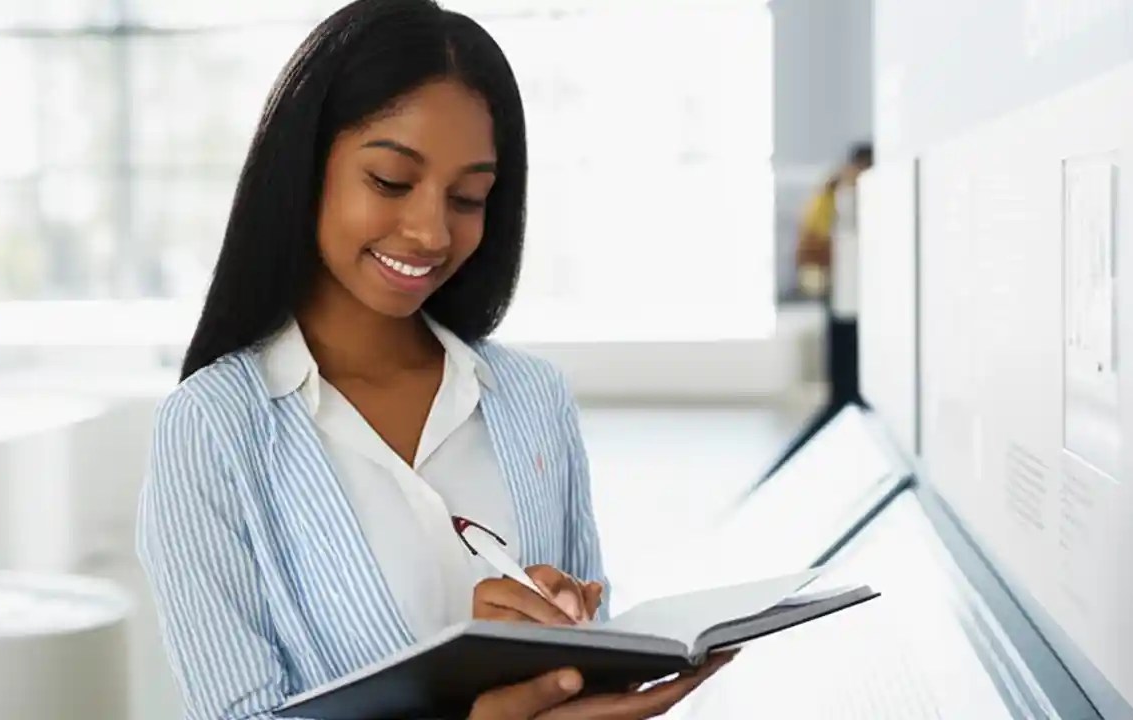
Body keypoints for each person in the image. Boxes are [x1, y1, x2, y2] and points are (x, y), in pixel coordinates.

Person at [135, 1, 732, 718]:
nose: (431, 232)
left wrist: (573, 650)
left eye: (469, 197)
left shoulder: (533, 397)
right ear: (304, 166)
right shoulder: (213, 429)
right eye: (391, 181)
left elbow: (585, 667)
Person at [795, 142, 873, 299]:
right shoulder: (837, 189)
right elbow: (817, 231)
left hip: (827, 259)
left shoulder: (836, 187)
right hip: (821, 260)